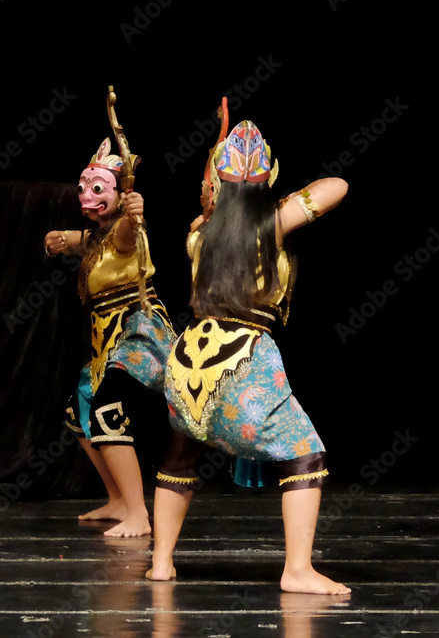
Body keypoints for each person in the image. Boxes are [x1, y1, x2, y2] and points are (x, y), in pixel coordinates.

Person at [147, 118, 351, 595]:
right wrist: (279, 203)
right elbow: (335, 186)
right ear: (270, 175)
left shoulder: (199, 233)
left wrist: (218, 159)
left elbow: (210, 201)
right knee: (304, 454)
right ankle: (297, 570)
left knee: (180, 453)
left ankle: (160, 563)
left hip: (189, 356)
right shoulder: (273, 222)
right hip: (244, 356)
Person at [44, 135, 175, 537]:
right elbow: (73, 242)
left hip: (139, 334)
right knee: (78, 409)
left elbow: (126, 236)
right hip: (107, 340)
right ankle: (118, 499)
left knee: (107, 409)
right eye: (84, 187)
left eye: (99, 188)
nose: (87, 195)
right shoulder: (97, 237)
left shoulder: (122, 232)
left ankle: (139, 512)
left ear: (121, 194)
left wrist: (136, 215)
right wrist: (60, 240)